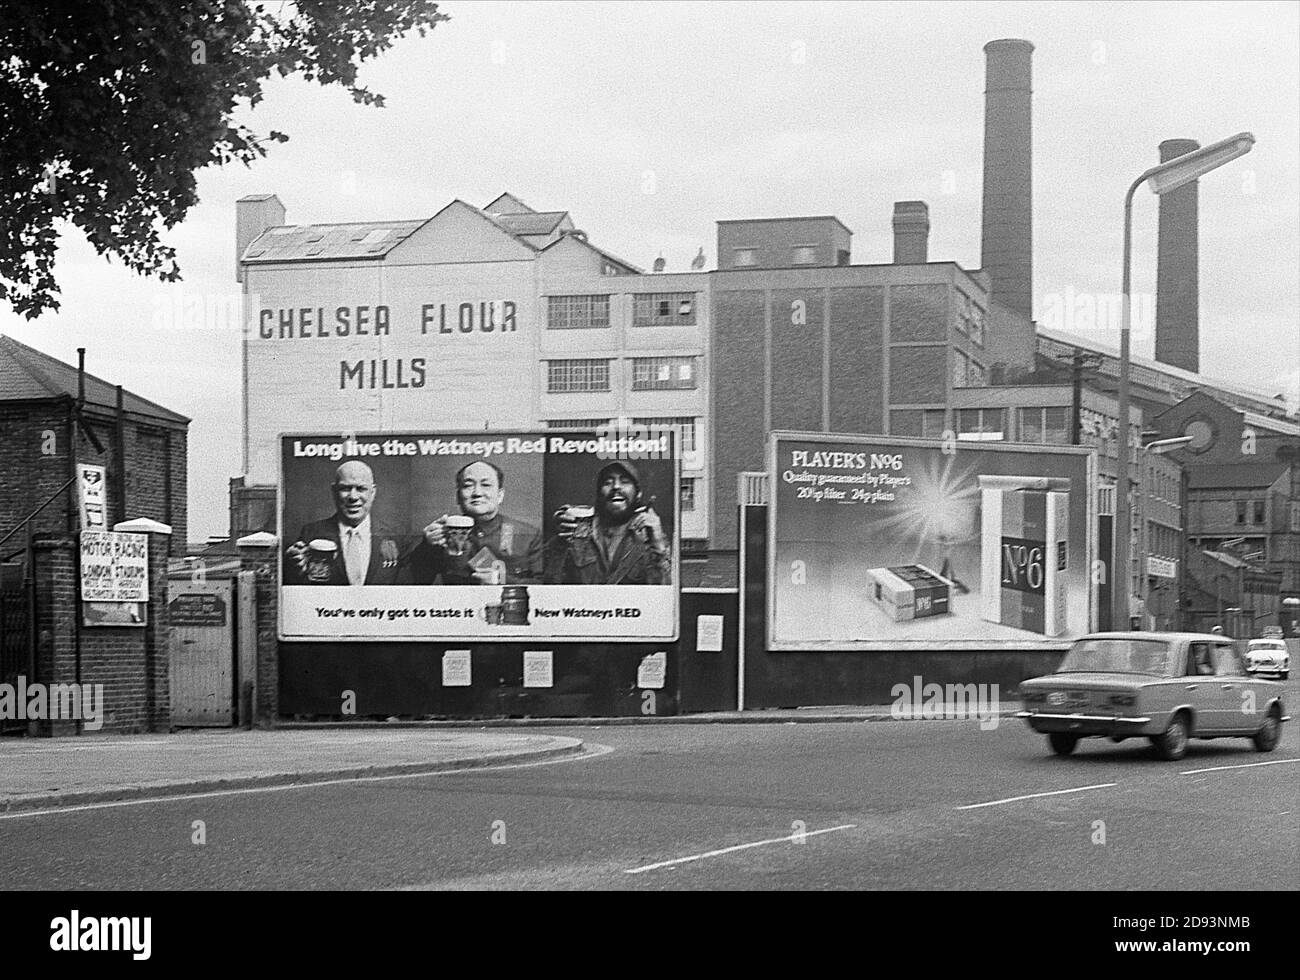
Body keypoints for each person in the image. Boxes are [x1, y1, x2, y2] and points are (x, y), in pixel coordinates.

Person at [402, 459, 544, 585]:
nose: (477, 492)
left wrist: (503, 580)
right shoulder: (441, 536)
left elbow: (546, 587)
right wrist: (427, 547)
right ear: (458, 496)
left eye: (486, 485)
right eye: (468, 485)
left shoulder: (528, 534)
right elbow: (412, 585)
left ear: (500, 495)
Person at [546, 459, 672, 585]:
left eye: (625, 481)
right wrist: (559, 543)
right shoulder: (575, 532)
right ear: (599, 494)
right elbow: (550, 586)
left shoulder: (649, 538)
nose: (616, 486)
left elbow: (663, 594)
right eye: (608, 482)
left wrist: (659, 545)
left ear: (638, 494)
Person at [284, 461, 407, 585]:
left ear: (373, 492)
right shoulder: (311, 533)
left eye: (361, 488)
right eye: (345, 488)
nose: (353, 497)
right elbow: (297, 586)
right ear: (334, 491)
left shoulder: (396, 537)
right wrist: (293, 569)